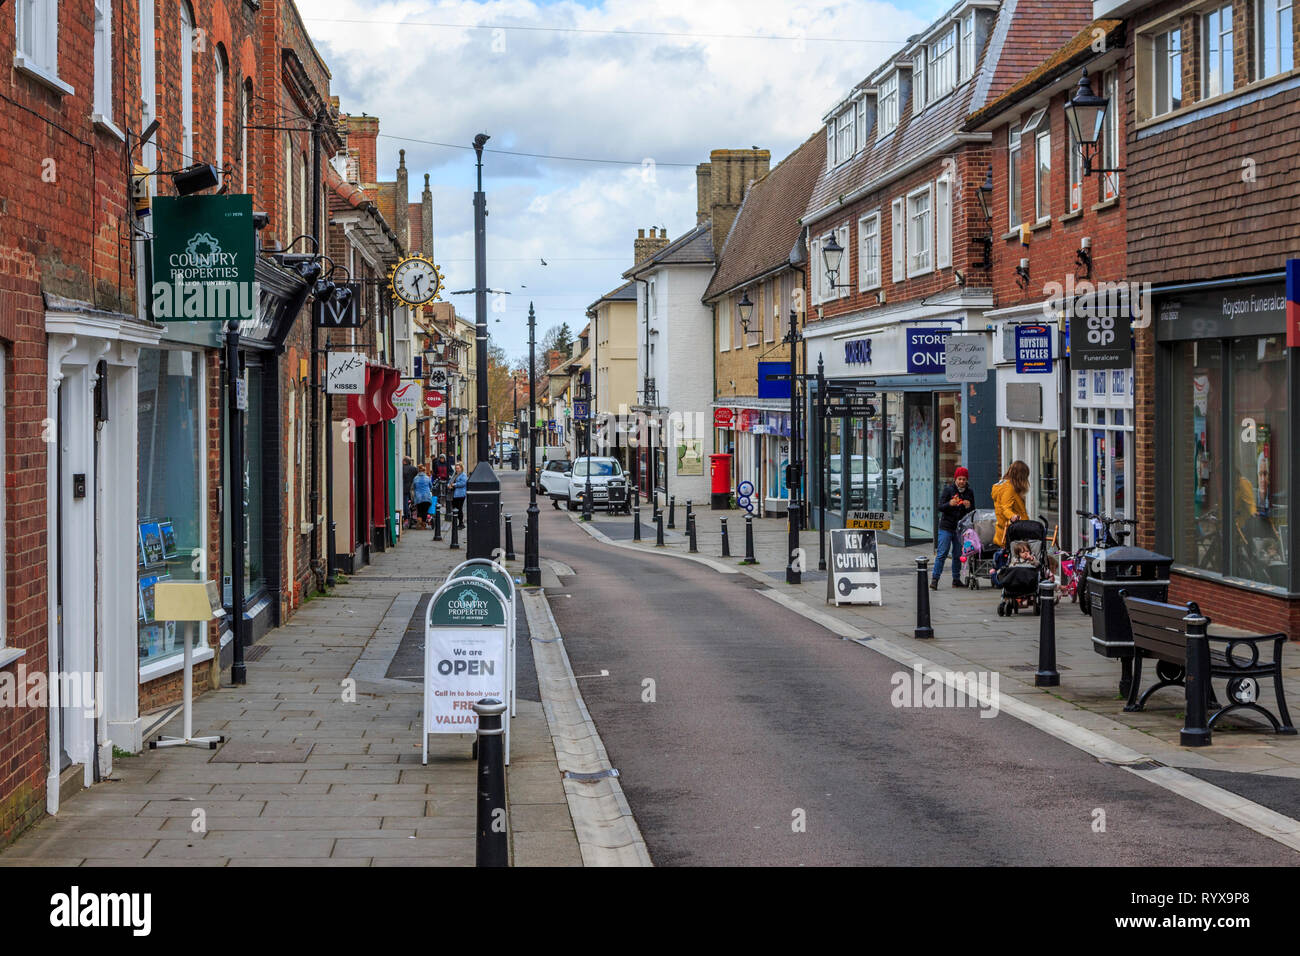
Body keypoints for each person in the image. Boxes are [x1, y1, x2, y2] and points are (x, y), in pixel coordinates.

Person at [931, 465, 975, 589]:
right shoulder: (948, 490)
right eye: (959, 479)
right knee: (942, 553)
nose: (961, 481)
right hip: (946, 526)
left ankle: (956, 580)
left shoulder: (969, 492)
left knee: (957, 555)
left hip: (960, 528)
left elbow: (973, 511)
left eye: (964, 479)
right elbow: (940, 507)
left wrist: (968, 506)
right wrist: (949, 504)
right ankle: (935, 579)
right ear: (955, 479)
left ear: (967, 481)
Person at [991, 460, 1030, 550]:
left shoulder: (1002, 485)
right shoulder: (1009, 488)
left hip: (1004, 532)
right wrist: (1013, 516)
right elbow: (1005, 508)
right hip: (1013, 533)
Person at [451, 462, 468, 528]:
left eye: (458, 468)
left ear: (461, 468)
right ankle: (456, 522)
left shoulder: (463, 475)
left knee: (459, 509)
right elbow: (450, 481)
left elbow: (463, 483)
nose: (457, 469)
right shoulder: (455, 474)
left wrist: (454, 485)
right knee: (455, 508)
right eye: (456, 468)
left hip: (461, 494)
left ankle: (461, 523)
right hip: (454, 494)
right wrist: (449, 485)